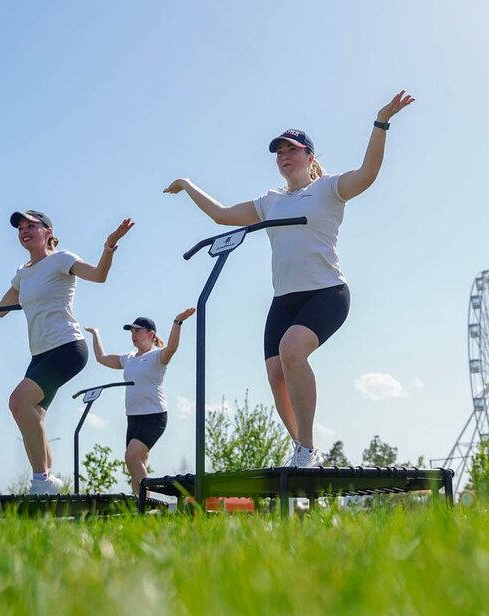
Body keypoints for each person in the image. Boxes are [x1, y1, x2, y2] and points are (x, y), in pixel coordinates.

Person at [163, 91, 415, 466]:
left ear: (309, 156)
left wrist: (381, 122)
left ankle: (307, 447)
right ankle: (302, 448)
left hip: (326, 293)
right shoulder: (270, 201)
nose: (284, 156)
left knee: (292, 350)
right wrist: (186, 184)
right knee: (275, 374)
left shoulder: (328, 188)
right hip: (284, 300)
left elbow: (367, 174)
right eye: (279, 152)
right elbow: (221, 215)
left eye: (291, 150)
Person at [0, 210, 132, 494]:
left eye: (31, 226)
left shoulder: (62, 259)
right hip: (40, 354)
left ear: (48, 232)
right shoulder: (23, 274)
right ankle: (48, 484)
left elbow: (99, 275)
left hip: (67, 347)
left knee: (18, 402)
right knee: (33, 415)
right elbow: (0, 310)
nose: (24, 231)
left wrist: (109, 245)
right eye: (20, 228)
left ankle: (41, 480)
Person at [84, 308, 195, 494]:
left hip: (154, 416)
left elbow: (172, 348)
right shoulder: (128, 358)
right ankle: (140, 502)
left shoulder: (157, 356)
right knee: (137, 462)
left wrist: (177, 322)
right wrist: (96, 334)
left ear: (150, 334)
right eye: (131, 331)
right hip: (133, 418)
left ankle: (146, 501)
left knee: (132, 457)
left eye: (137, 331)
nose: (133, 335)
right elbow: (101, 358)